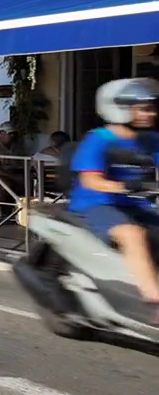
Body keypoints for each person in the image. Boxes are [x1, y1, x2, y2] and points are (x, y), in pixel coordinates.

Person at [67, 78, 159, 318]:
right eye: (144, 108)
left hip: (138, 203)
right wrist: (127, 185)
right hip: (98, 204)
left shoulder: (150, 139)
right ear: (121, 108)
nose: (151, 113)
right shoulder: (99, 139)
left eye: (152, 107)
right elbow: (91, 181)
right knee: (132, 234)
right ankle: (154, 303)